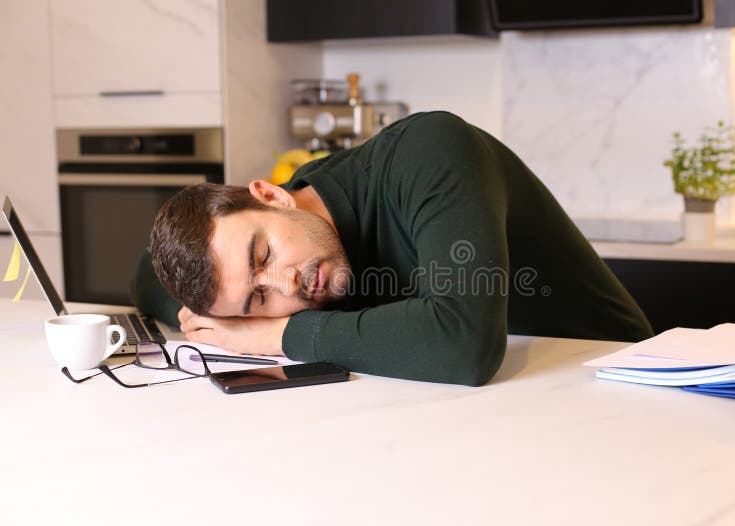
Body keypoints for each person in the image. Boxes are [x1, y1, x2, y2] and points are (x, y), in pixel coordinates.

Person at [133, 111, 652, 386]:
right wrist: (218, 322)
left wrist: (273, 332)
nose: (286, 284)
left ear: (271, 194)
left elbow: (464, 344)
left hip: (611, 378)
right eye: (258, 300)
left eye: (263, 256)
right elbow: (144, 275)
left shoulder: (430, 150)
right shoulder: (283, 269)